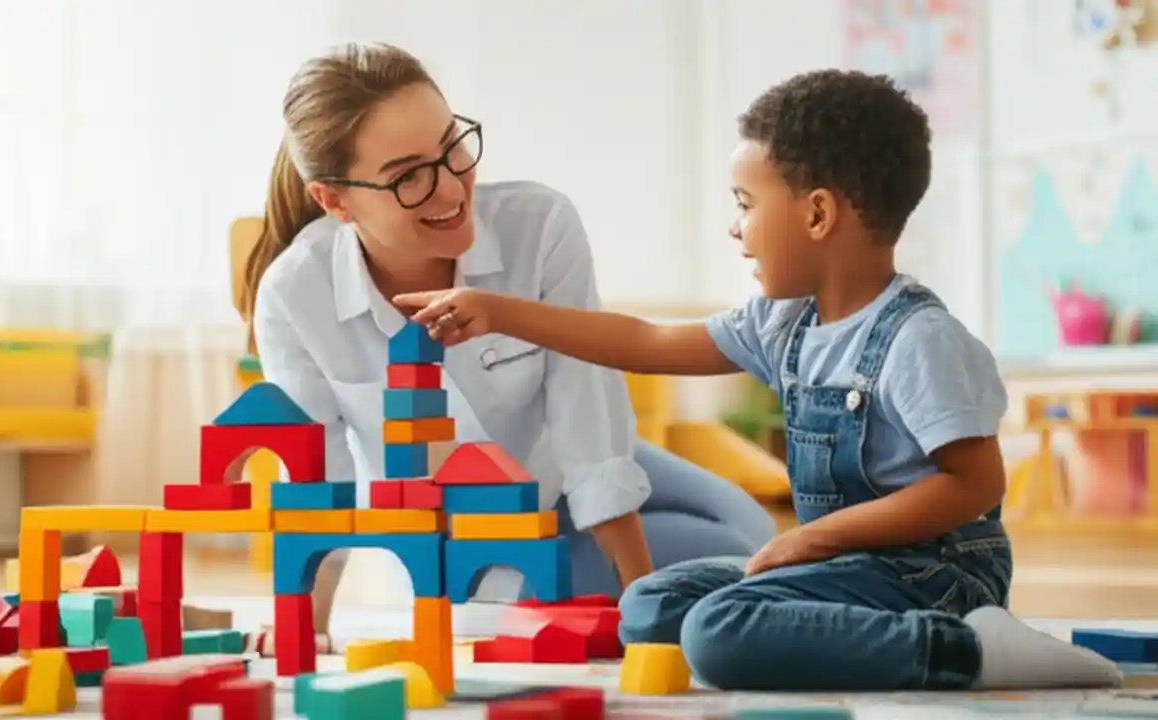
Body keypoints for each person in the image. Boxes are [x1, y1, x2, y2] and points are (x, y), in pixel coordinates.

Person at [393, 69, 1124, 691]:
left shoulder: (920, 339)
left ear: (816, 214)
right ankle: (854, 625)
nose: (733, 229)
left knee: (717, 634)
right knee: (648, 606)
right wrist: (497, 312)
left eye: (745, 206)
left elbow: (973, 485)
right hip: (850, 565)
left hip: (936, 575)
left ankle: (970, 651)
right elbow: (643, 340)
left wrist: (809, 543)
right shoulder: (784, 322)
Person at [242, 42, 778, 652]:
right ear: (335, 200)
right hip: (475, 544)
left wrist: (642, 602)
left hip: (565, 459)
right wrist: (307, 624)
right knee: (739, 565)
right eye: (408, 176)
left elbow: (586, 407)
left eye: (452, 147)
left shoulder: (539, 225)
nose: (450, 189)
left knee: (757, 535)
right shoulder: (294, 294)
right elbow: (323, 478)